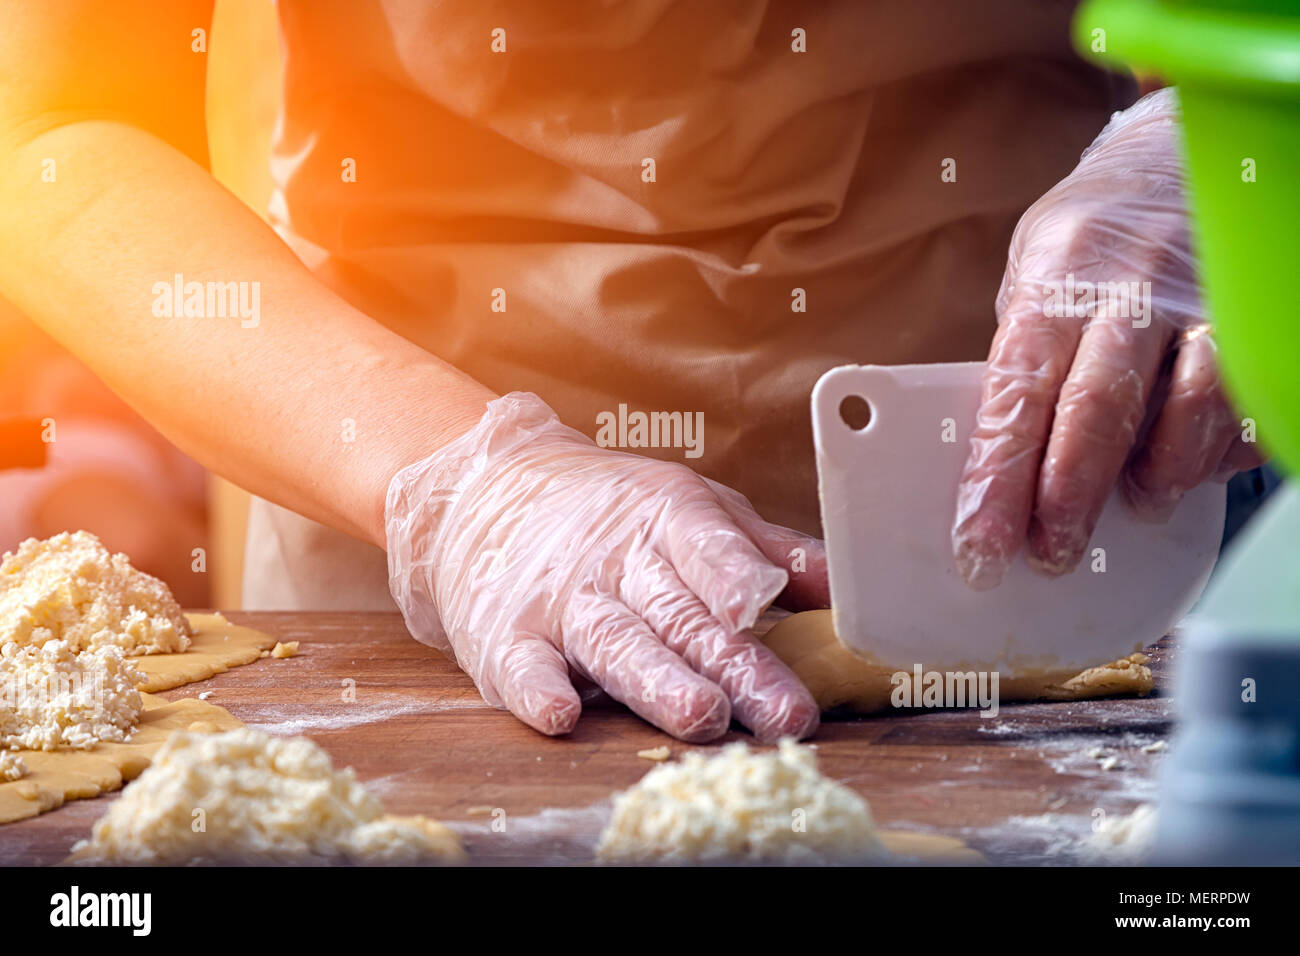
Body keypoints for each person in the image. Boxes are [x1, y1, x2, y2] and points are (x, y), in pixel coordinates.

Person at [0, 1, 1260, 744]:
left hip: (1052, 494)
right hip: (413, 533)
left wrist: (1229, 148)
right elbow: (46, 136)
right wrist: (469, 491)